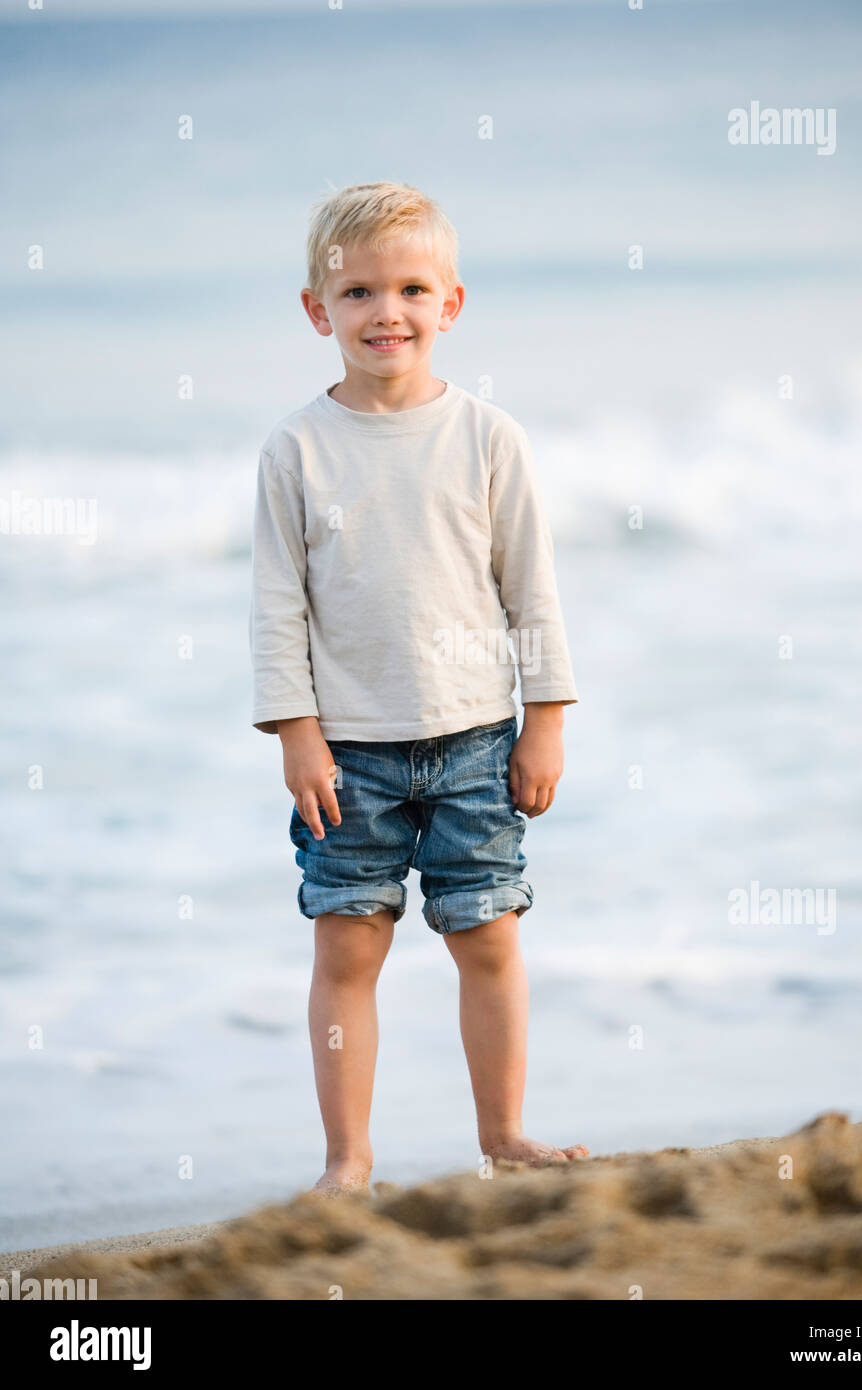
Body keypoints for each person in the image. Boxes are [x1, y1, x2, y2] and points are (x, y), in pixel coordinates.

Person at [249, 181, 587, 1192]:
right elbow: (278, 609)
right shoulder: (297, 449)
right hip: (346, 754)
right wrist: (295, 734)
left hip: (479, 738)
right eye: (356, 293)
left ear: (451, 303)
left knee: (487, 938)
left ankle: (505, 1134)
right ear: (318, 310)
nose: (384, 311)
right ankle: (348, 1160)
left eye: (409, 289)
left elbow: (533, 589)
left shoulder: (490, 438)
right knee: (347, 954)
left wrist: (547, 723)